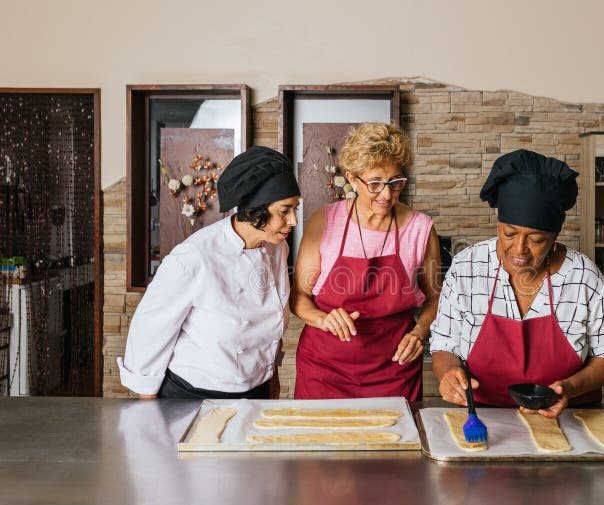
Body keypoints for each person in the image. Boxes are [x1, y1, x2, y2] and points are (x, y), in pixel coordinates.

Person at [430, 149, 604, 418]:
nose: (519, 250)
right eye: (509, 234)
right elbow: (444, 345)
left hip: (570, 418)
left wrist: (569, 387)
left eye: (536, 239)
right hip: (482, 416)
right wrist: (448, 373)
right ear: (498, 226)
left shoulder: (584, 277)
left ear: (554, 236)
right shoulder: (466, 268)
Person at [118, 146, 301, 399]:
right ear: (256, 208)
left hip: (255, 391)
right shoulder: (195, 256)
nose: (293, 221)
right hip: (193, 395)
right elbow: (150, 332)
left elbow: (268, 326)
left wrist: (271, 380)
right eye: (284, 211)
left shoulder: (277, 249)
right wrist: (149, 414)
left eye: (295, 209)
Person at [291, 122, 441, 401]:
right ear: (352, 179)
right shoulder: (324, 222)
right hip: (325, 371)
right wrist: (323, 319)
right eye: (375, 183)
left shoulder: (421, 229)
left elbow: (435, 299)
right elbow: (299, 297)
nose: (386, 194)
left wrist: (419, 333)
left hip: (394, 370)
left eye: (395, 182)